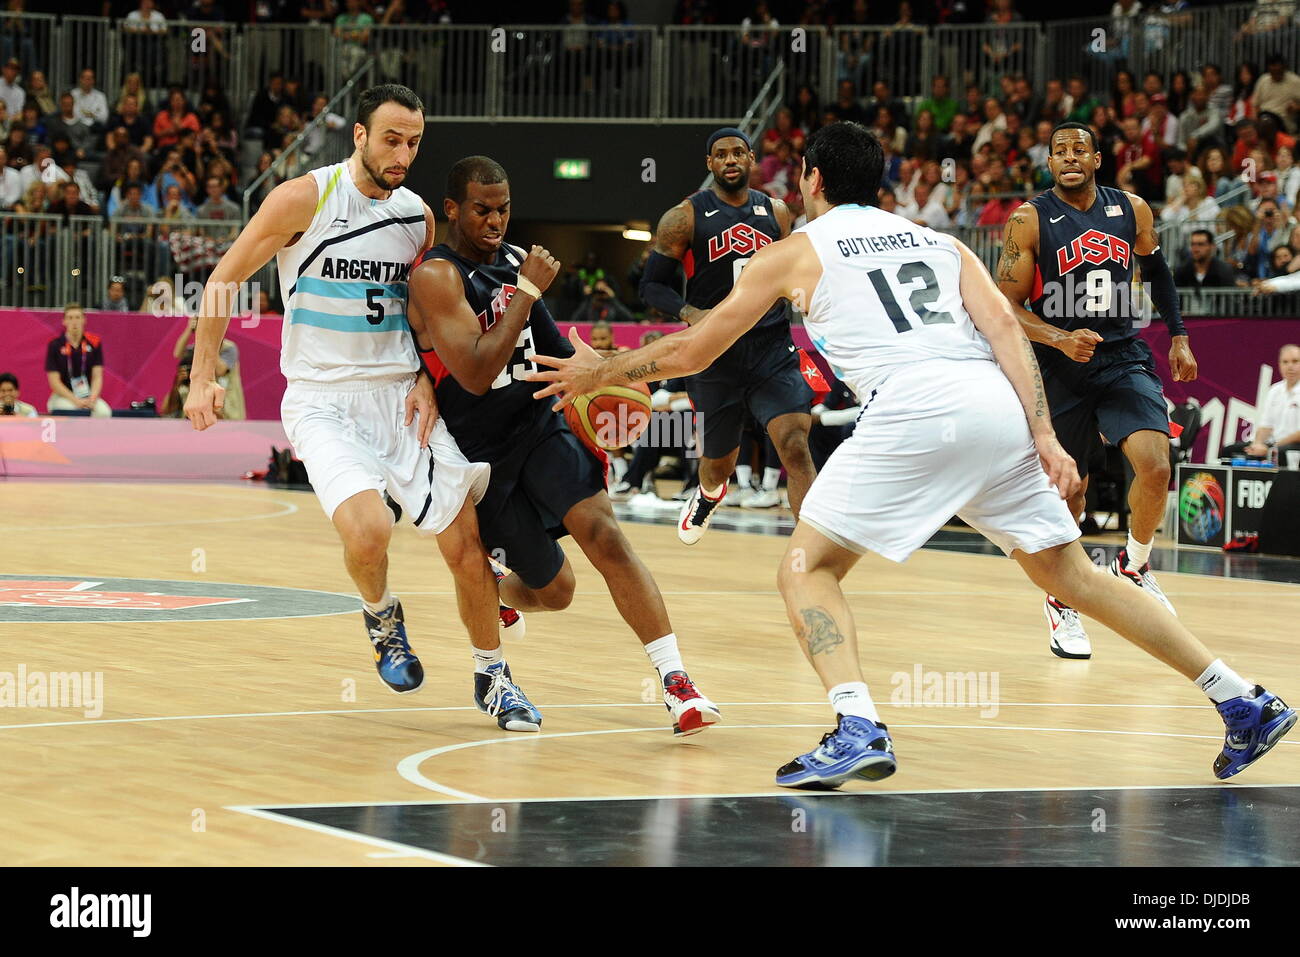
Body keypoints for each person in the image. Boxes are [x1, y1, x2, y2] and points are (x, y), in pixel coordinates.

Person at [529, 122, 1295, 789]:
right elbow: (1006, 331)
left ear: (812, 180)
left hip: (915, 410)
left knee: (806, 567)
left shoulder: (795, 250)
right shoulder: (941, 241)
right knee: (1076, 576)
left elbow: (697, 348)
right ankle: (1240, 697)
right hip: (993, 404)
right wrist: (1043, 434)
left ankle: (857, 723)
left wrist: (599, 370)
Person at [182, 84, 522, 729]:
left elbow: (423, 316)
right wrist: (203, 376)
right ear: (359, 136)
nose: (403, 154)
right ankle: (382, 615)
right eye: (391, 140)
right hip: (322, 399)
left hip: (398, 394)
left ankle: (494, 675)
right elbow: (224, 279)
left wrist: (426, 378)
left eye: (414, 142)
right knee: (368, 532)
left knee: (464, 541)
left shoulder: (417, 216)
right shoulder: (303, 199)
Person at [405, 155, 720, 737]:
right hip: (484, 458)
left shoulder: (514, 262)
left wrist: (605, 380)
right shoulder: (436, 277)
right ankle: (498, 591)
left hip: (541, 427)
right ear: (452, 209)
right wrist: (526, 291)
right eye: (482, 210)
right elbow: (474, 372)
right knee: (557, 592)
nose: (495, 221)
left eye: (503, 209)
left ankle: (678, 684)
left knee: (606, 535)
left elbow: (557, 353)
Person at [996, 121, 1198, 660]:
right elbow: (1005, 307)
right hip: (1057, 365)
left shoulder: (1132, 209)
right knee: (1072, 492)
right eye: (1059, 151)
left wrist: (1179, 336)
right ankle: (1062, 599)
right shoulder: (1028, 219)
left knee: (1155, 466)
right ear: (1049, 163)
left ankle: (1134, 565)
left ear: (1097, 159)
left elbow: (1158, 273)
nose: (1069, 157)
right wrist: (1060, 339)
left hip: (1121, 354)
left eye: (1078, 149)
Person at [638, 127, 817, 545]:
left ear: (752, 159)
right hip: (714, 353)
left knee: (794, 445)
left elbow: (791, 271)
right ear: (710, 163)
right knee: (718, 465)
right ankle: (708, 493)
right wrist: (691, 313)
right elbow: (651, 286)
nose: (731, 160)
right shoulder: (684, 216)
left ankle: (809, 553)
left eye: (738, 152)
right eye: (721, 154)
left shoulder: (776, 212)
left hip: (771, 347)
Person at [1219, 344, 1300, 461]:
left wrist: (1271, 448)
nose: (1290, 366)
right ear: (1280, 365)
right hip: (1271, 444)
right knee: (1229, 450)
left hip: (1290, 446)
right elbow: (1265, 426)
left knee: (1279, 453)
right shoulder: (1275, 390)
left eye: (1295, 361)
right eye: (1285, 362)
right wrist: (1257, 444)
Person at [45, 303, 111, 417]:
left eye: (77, 317)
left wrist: (92, 399)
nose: (74, 322)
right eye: (70, 318)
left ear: (84, 320)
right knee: (74, 411)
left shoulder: (94, 343)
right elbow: (54, 382)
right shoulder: (55, 345)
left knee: (104, 412)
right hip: (63, 396)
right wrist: (76, 401)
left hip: (87, 396)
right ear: (64, 321)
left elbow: (97, 376)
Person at [1174, 229, 1245, 288]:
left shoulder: (1224, 270)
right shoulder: (1182, 271)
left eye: (1200, 244)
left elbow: (1228, 297)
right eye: (1193, 244)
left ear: (1212, 246)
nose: (1195, 249)